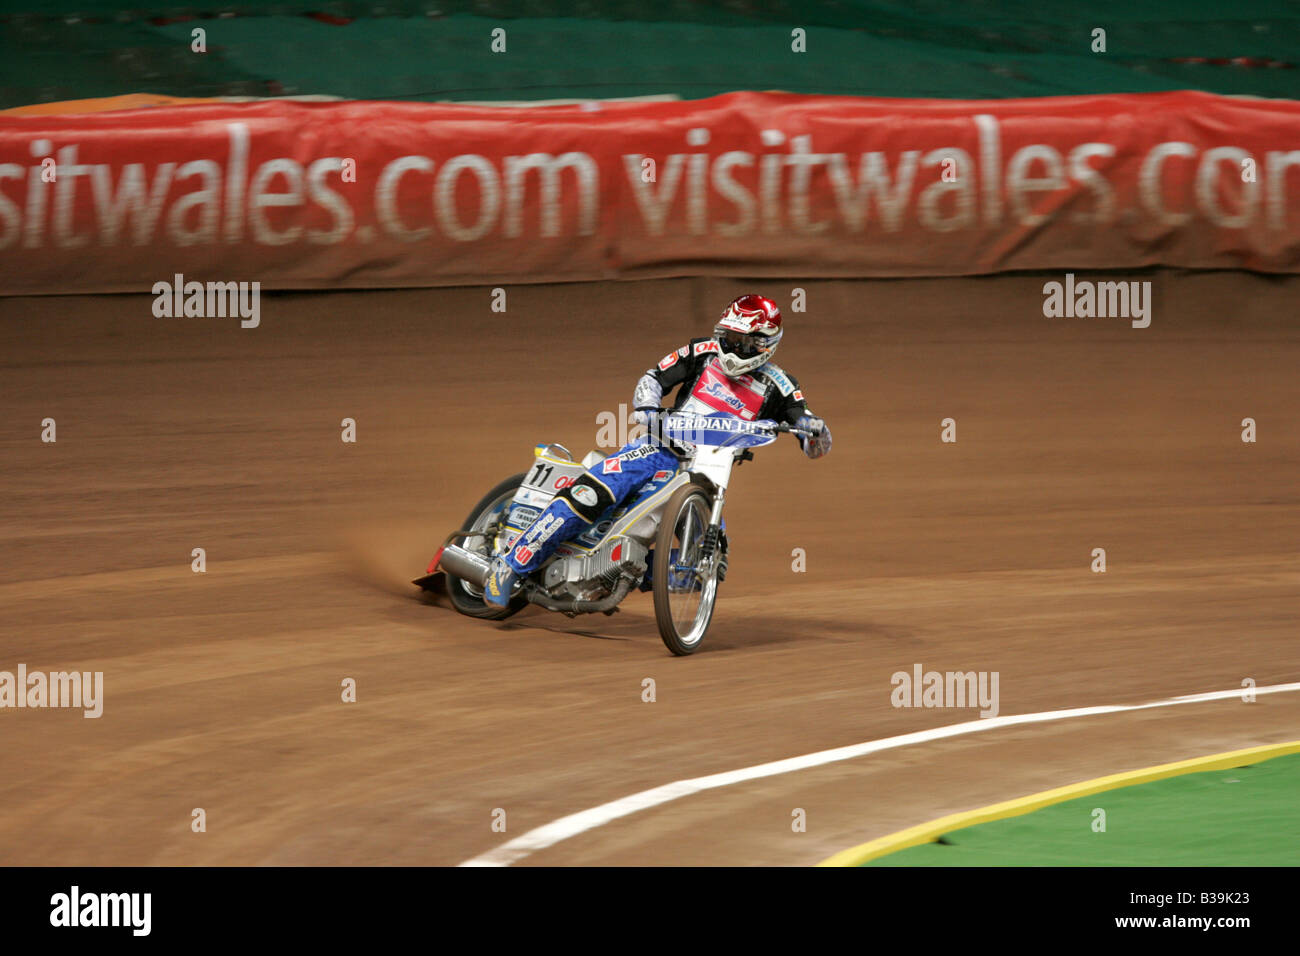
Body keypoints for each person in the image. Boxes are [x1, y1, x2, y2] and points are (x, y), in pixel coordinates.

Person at [484, 294, 831, 606]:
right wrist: (648, 409)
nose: (730, 345)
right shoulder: (701, 351)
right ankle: (510, 563)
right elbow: (654, 378)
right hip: (657, 447)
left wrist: (814, 432)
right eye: (729, 336)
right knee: (593, 494)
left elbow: (805, 423)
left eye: (741, 340)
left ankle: (619, 570)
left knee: (708, 564)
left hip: (707, 471)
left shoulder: (780, 386)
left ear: (764, 345)